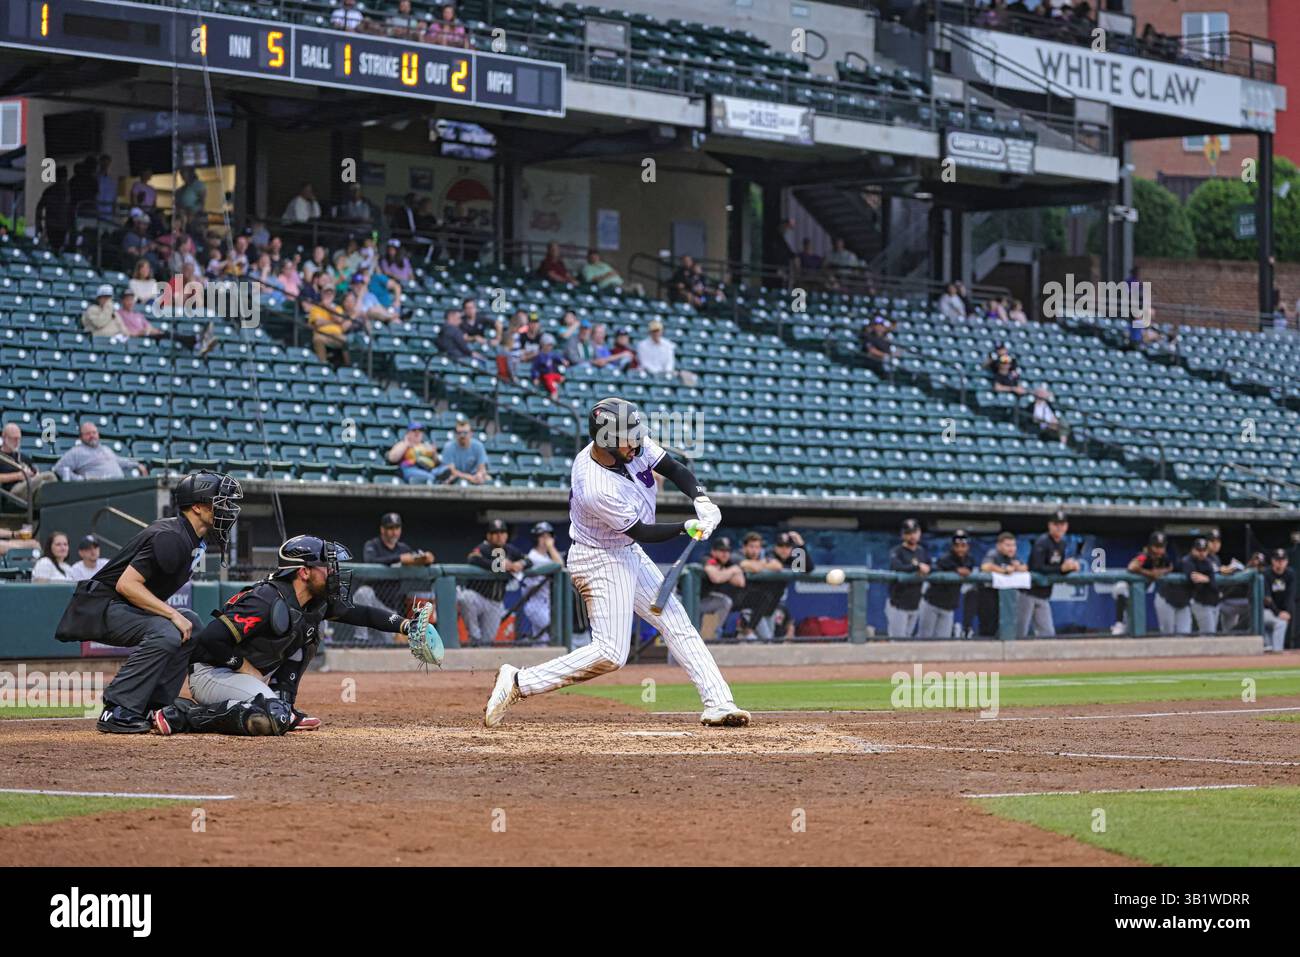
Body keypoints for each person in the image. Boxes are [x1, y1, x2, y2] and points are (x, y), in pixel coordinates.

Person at [482, 397, 749, 728]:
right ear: (606, 439)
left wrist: (702, 500)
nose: (636, 440)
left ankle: (719, 703)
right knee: (610, 654)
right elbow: (642, 531)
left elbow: (674, 468)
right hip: (599, 558)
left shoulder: (630, 446)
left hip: (626, 551)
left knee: (677, 622)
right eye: (627, 436)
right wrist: (686, 527)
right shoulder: (595, 484)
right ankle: (519, 681)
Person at [153, 535, 441, 735]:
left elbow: (363, 614)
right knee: (273, 717)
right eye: (326, 566)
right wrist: (245, 668)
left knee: (308, 635)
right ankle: (182, 714)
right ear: (304, 572)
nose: (333, 572)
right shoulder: (265, 600)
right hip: (213, 674)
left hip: (247, 675)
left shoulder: (316, 601)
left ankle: (283, 703)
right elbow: (210, 641)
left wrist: (406, 625)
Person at [55, 471, 242, 733]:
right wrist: (171, 614)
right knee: (167, 629)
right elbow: (126, 585)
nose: (227, 508)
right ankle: (117, 709)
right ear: (198, 507)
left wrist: (176, 616)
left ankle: (154, 706)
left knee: (193, 624)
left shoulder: (191, 538)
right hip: (100, 606)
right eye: (219, 501)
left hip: (122, 607)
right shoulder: (171, 536)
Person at [459, 519, 531, 646]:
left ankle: (478, 659)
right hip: (478, 597)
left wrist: (520, 564)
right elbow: (472, 558)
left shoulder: (510, 550)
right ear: (488, 536)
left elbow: (528, 560)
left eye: (502, 532)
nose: (499, 535)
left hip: (495, 603)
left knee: (486, 642)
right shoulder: (484, 548)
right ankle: (474, 635)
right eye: (495, 532)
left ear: (506, 535)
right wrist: (498, 564)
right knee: (465, 597)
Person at [1019, 509, 1080, 637]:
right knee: (1019, 632)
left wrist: (1069, 568)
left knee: (1047, 634)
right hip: (1027, 593)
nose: (1059, 527)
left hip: (1043, 594)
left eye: (1062, 524)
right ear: (1050, 525)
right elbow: (1036, 567)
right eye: (1056, 524)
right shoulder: (1043, 541)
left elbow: (1057, 570)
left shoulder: (1062, 544)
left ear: (1066, 526)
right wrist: (1062, 569)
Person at [918, 530, 975, 639]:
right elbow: (939, 567)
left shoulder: (969, 559)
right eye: (957, 546)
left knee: (943, 641)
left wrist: (962, 570)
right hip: (932, 603)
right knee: (924, 638)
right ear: (953, 546)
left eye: (963, 546)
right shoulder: (946, 558)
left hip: (949, 607)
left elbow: (968, 568)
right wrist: (956, 569)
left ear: (968, 546)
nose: (960, 549)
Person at [1124, 531, 1178, 634]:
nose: (1159, 550)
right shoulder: (1144, 556)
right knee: (1127, 622)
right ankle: (1119, 624)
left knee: (1134, 623)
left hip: (1141, 591)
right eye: (1156, 546)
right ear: (1150, 546)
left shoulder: (1164, 557)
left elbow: (1170, 567)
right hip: (1128, 589)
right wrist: (1149, 573)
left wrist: (1161, 572)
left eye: (1161, 547)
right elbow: (1131, 567)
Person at [53, 421, 146, 480]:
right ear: (81, 437)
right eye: (88, 434)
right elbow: (59, 468)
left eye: (94, 432)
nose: (92, 436)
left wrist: (137, 465)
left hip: (119, 485)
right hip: (99, 490)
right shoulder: (76, 452)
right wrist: (80, 479)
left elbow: (119, 461)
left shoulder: (105, 449)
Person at [733, 532, 783, 642]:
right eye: (751, 547)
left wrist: (760, 564)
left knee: (767, 638)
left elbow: (777, 565)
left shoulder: (762, 557)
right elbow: (751, 566)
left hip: (755, 604)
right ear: (744, 547)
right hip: (735, 599)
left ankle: (747, 630)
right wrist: (763, 564)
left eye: (757, 547)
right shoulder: (736, 555)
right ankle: (747, 629)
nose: (755, 550)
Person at [520, 521, 564, 641]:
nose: (546, 540)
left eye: (548, 536)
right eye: (542, 536)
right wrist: (551, 547)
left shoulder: (545, 557)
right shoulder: (534, 557)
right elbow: (560, 565)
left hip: (545, 602)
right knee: (554, 629)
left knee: (542, 639)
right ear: (536, 539)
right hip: (535, 604)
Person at [886, 518, 930, 637]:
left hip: (914, 603)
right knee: (897, 642)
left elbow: (932, 566)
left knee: (907, 641)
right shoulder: (897, 551)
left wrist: (926, 568)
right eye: (908, 533)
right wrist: (916, 567)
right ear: (903, 535)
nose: (912, 536)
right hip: (898, 604)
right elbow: (897, 566)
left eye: (914, 532)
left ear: (919, 532)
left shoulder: (922, 551)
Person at [0, 422, 58, 503]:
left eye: (19, 439)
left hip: (29, 487)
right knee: (49, 476)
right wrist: (17, 476)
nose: (17, 442)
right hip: (11, 491)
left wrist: (33, 474)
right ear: (4, 438)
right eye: (14, 439)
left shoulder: (22, 456)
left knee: (45, 489)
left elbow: (35, 471)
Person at [699, 537, 744, 640]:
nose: (725, 554)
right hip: (686, 600)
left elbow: (741, 582)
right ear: (713, 551)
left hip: (704, 599)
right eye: (721, 550)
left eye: (727, 551)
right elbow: (716, 578)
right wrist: (732, 571)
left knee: (724, 601)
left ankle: (711, 634)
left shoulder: (727, 563)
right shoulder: (708, 558)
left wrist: (724, 572)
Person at [362, 512, 435, 567]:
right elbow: (370, 561)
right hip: (371, 586)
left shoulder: (403, 548)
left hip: (393, 587)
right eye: (390, 528)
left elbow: (414, 558)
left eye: (397, 528)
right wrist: (399, 559)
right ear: (382, 529)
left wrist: (426, 559)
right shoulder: (372, 544)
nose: (394, 532)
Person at [306, 285, 354, 367]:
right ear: (322, 294)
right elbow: (317, 323)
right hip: (322, 334)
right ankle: (323, 365)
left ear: (334, 295)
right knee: (317, 339)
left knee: (347, 340)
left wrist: (328, 307)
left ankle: (348, 366)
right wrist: (333, 321)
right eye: (326, 293)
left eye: (331, 293)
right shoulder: (316, 308)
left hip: (336, 335)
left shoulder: (338, 308)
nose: (328, 295)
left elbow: (339, 320)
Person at [1182, 537, 1219, 635]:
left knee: (1209, 634)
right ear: (1193, 549)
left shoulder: (1208, 562)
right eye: (1199, 550)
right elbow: (1195, 580)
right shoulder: (1187, 561)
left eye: (1204, 550)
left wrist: (1207, 579)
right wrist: (1208, 579)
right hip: (1200, 602)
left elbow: (1214, 583)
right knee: (1209, 634)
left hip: (1213, 602)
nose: (1201, 553)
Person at [1262, 549, 1294, 653]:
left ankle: (1276, 651)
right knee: (1280, 623)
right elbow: (1267, 598)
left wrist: (1287, 612)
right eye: (1277, 560)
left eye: (1282, 560)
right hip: (1265, 611)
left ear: (1287, 561)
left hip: (1280, 612)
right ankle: (1276, 652)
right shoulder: (1266, 574)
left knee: (1282, 622)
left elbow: (1291, 595)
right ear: (1272, 561)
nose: (1280, 563)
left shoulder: (1290, 574)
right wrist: (1278, 612)